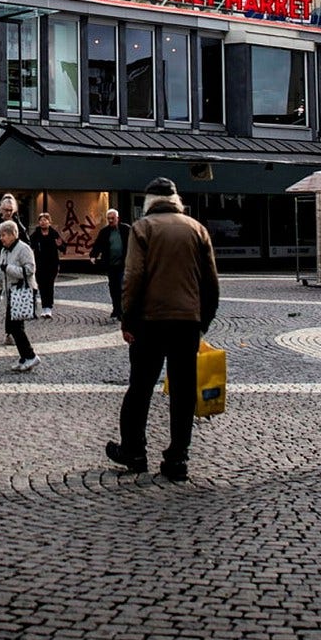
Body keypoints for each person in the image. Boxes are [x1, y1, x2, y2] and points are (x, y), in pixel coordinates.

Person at [107, 178, 218, 482]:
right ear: (176, 199)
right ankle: (178, 458)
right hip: (187, 323)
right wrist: (202, 320)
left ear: (149, 201)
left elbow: (132, 278)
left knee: (140, 388)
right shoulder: (197, 229)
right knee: (183, 392)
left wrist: (128, 320)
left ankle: (134, 451)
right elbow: (211, 282)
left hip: (150, 322)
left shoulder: (143, 228)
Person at [0, 220, 42, 371]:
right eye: (0, 235)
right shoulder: (4, 251)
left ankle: (30, 356)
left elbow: (29, 270)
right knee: (14, 327)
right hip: (11, 295)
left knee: (15, 327)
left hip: (21, 294)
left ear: (12, 234)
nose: (1, 238)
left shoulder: (24, 249)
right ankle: (25, 357)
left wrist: (9, 268)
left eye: (3, 235)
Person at [88, 208, 131, 321]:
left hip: (123, 264)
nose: (111, 221)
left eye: (113, 218)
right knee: (113, 287)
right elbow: (98, 244)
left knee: (121, 286)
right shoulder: (105, 231)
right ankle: (116, 308)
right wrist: (93, 255)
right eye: (109, 219)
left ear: (118, 218)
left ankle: (121, 310)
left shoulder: (126, 229)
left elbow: (134, 244)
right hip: (111, 264)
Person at [30, 211, 63, 318]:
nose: (43, 222)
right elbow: (30, 247)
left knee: (49, 285)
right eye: (41, 220)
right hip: (39, 264)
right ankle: (44, 307)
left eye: (45, 220)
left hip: (52, 264)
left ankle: (48, 308)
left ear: (49, 222)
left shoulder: (54, 233)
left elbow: (62, 247)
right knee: (42, 286)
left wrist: (60, 245)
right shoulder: (35, 234)